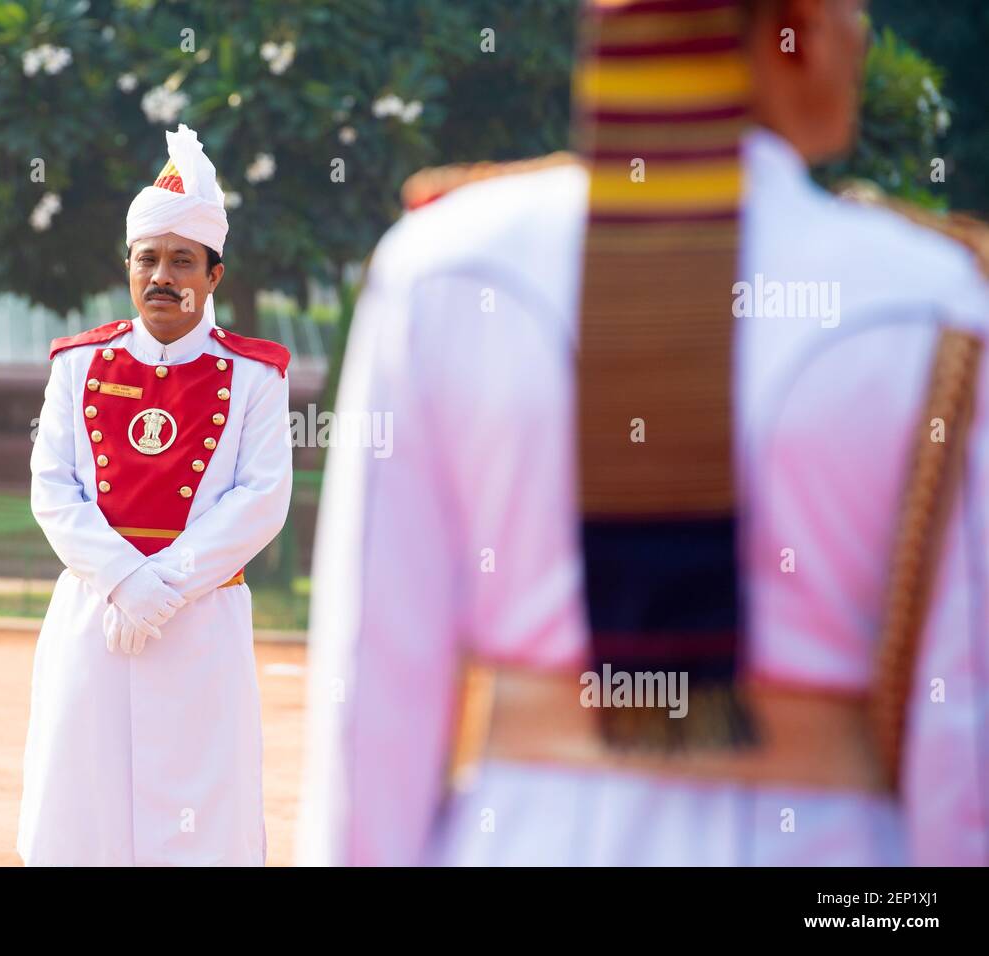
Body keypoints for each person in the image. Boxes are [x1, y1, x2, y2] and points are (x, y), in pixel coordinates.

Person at [297, 0, 989, 866]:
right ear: (796, 27)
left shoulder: (442, 266)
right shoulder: (934, 299)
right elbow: (964, 725)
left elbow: (375, 689)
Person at [17, 124, 293, 866]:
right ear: (128, 268)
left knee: (202, 809)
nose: (163, 276)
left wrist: (162, 587)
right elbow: (54, 489)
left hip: (200, 619)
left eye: (182, 261)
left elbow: (261, 499)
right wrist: (122, 580)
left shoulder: (258, 378)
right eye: (148, 260)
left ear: (214, 275)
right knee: (82, 800)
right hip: (94, 612)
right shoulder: (78, 365)